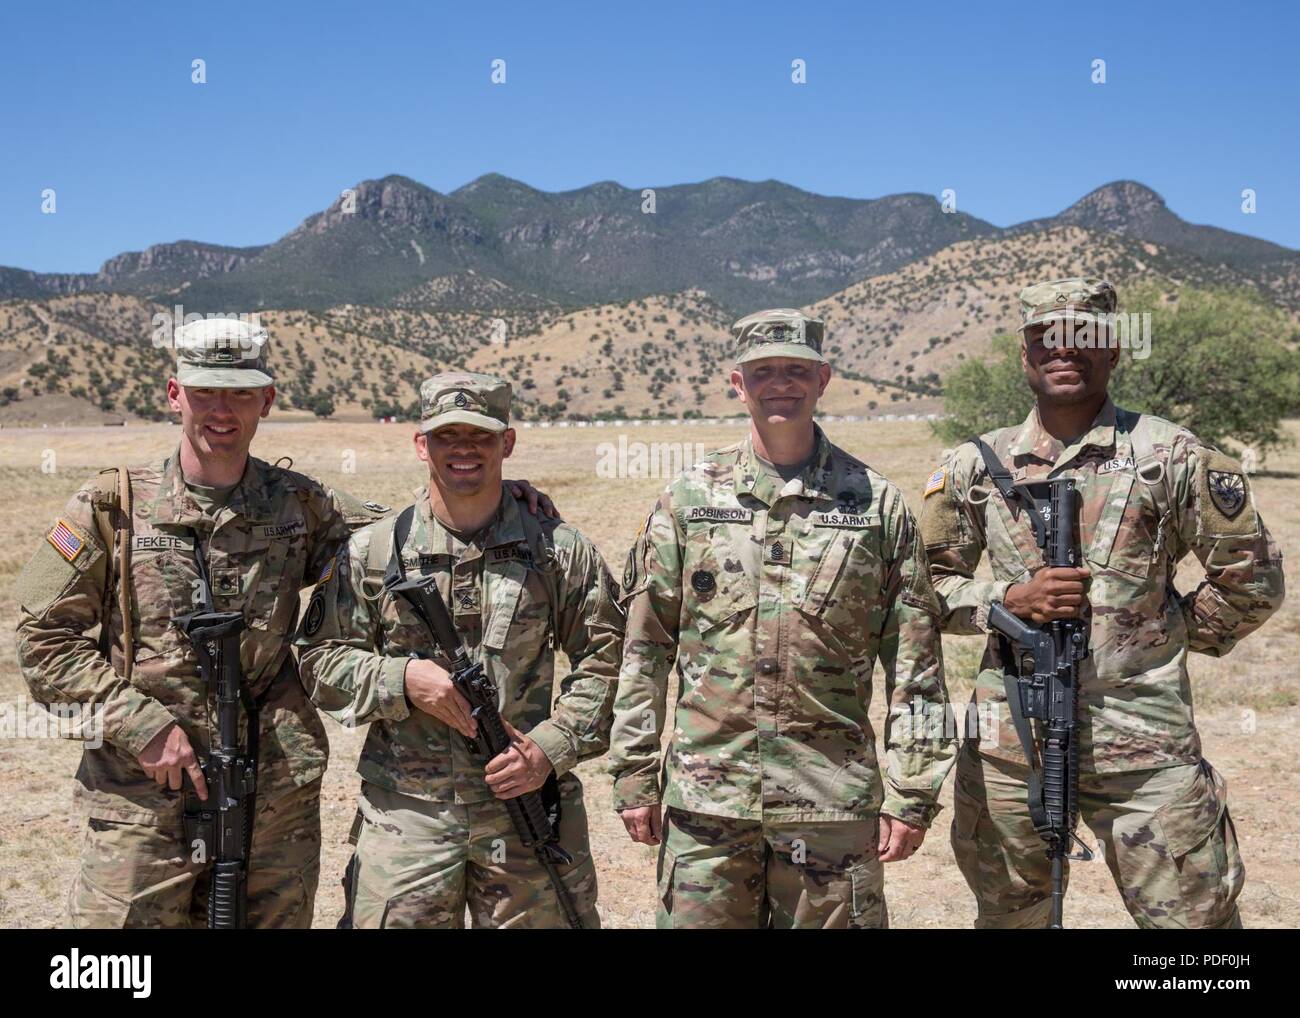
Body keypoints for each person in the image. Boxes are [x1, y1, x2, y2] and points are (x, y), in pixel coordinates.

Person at [14, 319, 553, 928]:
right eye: (205, 392)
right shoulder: (113, 506)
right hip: (143, 799)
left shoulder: (299, 504)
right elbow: (42, 638)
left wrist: (496, 491)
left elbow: (409, 533)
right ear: (173, 394)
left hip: (272, 797)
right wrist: (139, 725)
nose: (223, 410)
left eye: (241, 394)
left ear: (266, 401)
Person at [919, 277, 1285, 929]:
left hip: (1144, 747)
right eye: (1045, 338)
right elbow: (922, 590)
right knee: (1010, 918)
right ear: (1025, 355)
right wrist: (1006, 600)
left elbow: (1252, 579)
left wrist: (1163, 633)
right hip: (1013, 744)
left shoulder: (1172, 456)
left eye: (1083, 337)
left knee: (1193, 924)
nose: (1064, 350)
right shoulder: (974, 466)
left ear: (1112, 351)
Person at [608, 308, 954, 928]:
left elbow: (916, 665)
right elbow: (646, 647)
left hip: (830, 803)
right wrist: (634, 771)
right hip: (707, 804)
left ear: (823, 379)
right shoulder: (689, 498)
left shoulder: (876, 505)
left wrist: (912, 792)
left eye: (796, 369)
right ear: (738, 383)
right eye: (763, 371)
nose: (781, 384)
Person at [296, 370, 623, 928]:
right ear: (422, 444)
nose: (464, 449)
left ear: (508, 443)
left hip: (529, 806)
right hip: (410, 813)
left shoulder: (558, 551)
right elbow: (319, 657)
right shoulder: (376, 550)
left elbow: (610, 659)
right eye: (447, 435)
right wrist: (402, 680)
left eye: (481, 435)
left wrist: (550, 747)